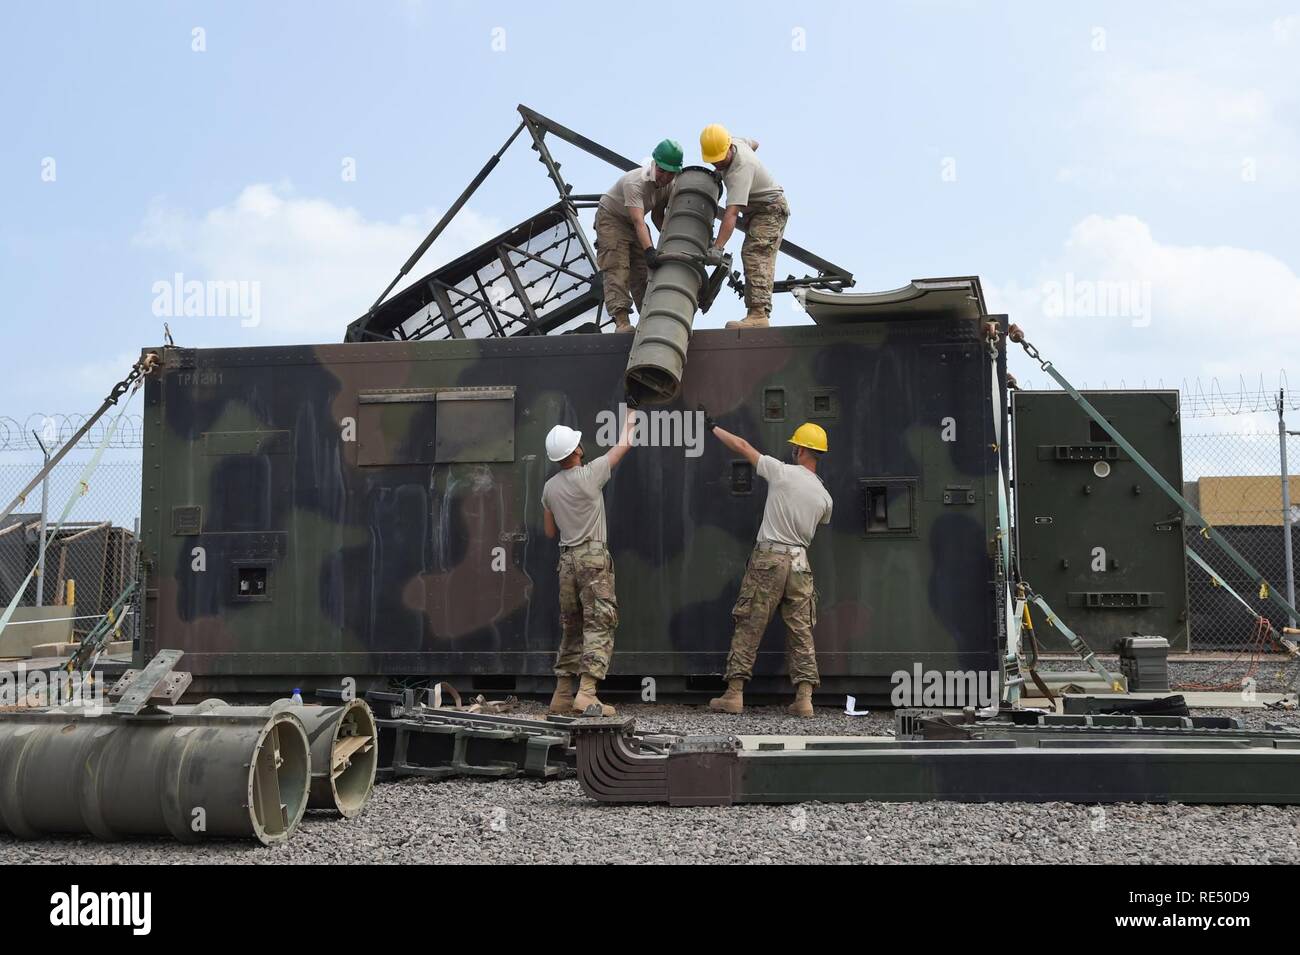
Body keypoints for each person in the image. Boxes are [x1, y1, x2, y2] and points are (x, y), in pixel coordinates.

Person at [702, 410, 832, 717]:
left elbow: (744, 447)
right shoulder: (825, 497)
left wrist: (714, 428)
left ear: (799, 450)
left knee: (750, 624)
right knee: (801, 631)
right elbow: (819, 523)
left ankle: (734, 694)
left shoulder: (781, 472)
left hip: (769, 559)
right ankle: (804, 700)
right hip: (800, 563)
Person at [541, 406, 635, 715]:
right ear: (577, 450)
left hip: (566, 561)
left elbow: (549, 530)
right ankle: (587, 693)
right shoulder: (591, 474)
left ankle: (562, 695)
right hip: (593, 557)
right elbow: (624, 444)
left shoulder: (549, 489)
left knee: (572, 626)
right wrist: (631, 413)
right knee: (600, 623)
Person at [699, 124, 790, 330]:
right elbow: (754, 143)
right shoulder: (737, 142)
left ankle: (758, 315)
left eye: (720, 160)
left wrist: (717, 248)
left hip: (769, 210)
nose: (718, 164)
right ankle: (757, 313)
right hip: (757, 210)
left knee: (755, 253)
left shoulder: (740, 170)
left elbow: (731, 214)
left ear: (728, 149)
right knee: (753, 252)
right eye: (713, 161)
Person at [593, 139, 684, 332]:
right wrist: (650, 250)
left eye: (670, 173)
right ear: (654, 164)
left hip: (636, 221)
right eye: (662, 170)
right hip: (613, 218)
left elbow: (658, 216)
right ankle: (622, 322)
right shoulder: (635, 182)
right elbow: (638, 222)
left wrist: (670, 242)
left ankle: (649, 320)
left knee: (643, 272)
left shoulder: (668, 184)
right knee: (617, 267)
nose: (665, 176)